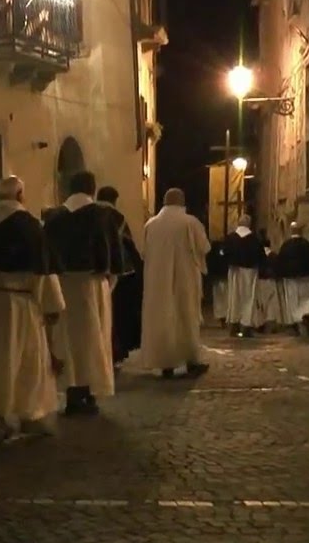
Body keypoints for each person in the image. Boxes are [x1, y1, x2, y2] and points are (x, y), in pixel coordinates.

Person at [0, 175, 64, 440]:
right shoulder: (32, 227)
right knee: (26, 364)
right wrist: (51, 306)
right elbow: (43, 272)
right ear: (20, 195)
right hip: (22, 305)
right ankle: (28, 414)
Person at [44, 171, 127, 416]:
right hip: (92, 284)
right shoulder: (102, 215)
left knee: (68, 339)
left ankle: (72, 391)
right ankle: (88, 392)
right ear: (92, 188)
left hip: (62, 284)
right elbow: (113, 255)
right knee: (93, 339)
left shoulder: (53, 217)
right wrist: (110, 280)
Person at [134, 188, 211, 378]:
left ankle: (164, 363)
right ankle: (191, 360)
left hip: (157, 280)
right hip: (186, 278)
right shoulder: (190, 223)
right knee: (186, 317)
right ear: (182, 202)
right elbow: (204, 247)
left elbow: (143, 252)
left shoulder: (151, 225)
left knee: (161, 318)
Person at [96, 186, 142, 368]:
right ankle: (115, 352)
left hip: (95, 271)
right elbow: (128, 244)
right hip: (120, 273)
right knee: (116, 315)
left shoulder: (89, 213)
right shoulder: (116, 216)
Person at [223, 215, 267, 338]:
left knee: (234, 297)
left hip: (234, 271)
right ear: (249, 224)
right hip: (250, 271)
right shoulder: (254, 239)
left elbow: (224, 253)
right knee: (249, 297)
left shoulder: (231, 238)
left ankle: (234, 324)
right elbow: (261, 256)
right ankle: (246, 325)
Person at [276, 221, 309, 335]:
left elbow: (280, 262)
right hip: (305, 276)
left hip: (290, 278)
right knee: (307, 297)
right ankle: (306, 314)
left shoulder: (285, 246)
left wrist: (279, 274)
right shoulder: (306, 244)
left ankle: (296, 322)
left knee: (292, 300)